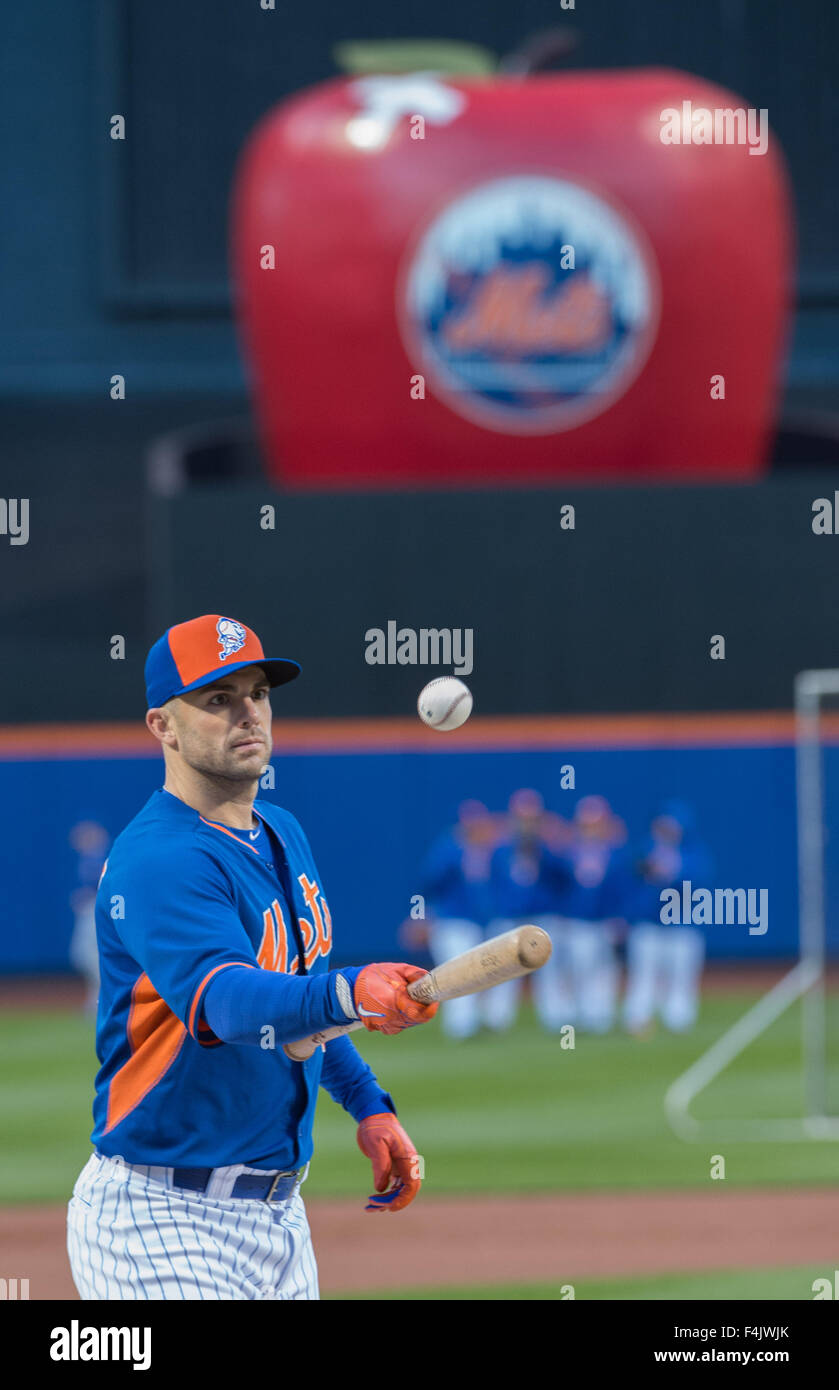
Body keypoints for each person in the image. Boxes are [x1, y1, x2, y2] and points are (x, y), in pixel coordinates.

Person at [66, 613, 438, 1301]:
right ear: (162, 727)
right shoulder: (160, 859)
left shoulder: (281, 829)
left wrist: (366, 1103)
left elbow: (292, 998)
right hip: (161, 1217)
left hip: (277, 1220)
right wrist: (350, 991)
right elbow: (230, 1003)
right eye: (217, 699)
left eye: (258, 693)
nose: (248, 714)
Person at [622, 800, 712, 1035]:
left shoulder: (693, 853)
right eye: (663, 827)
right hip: (648, 925)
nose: (667, 832)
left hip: (682, 926)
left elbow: (698, 885)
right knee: (643, 974)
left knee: (681, 977)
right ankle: (638, 1017)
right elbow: (631, 884)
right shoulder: (645, 850)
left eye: (672, 827)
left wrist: (672, 875)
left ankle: (679, 1020)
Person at [487, 789, 574, 1032]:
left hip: (542, 918)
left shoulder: (548, 849)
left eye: (531, 818)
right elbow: (493, 884)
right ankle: (497, 1020)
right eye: (522, 817)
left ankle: (556, 1018)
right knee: (502, 971)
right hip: (510, 918)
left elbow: (565, 879)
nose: (526, 824)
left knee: (550, 969)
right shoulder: (502, 850)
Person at [414, 800, 499, 1039]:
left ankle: (476, 1022)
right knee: (457, 974)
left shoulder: (489, 851)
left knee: (479, 974)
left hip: (480, 923)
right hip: (450, 923)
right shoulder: (449, 848)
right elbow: (429, 880)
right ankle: (460, 1026)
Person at [560, 796, 627, 1033]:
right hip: (578, 922)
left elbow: (621, 888)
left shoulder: (614, 852)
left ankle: (600, 1015)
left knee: (606, 969)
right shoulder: (568, 852)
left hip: (605, 921)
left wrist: (620, 918)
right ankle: (579, 1013)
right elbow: (559, 887)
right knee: (579, 968)